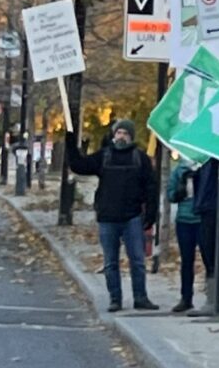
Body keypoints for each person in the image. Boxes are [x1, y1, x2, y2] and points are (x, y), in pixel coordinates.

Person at [66, 118, 155, 312]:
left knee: (138, 261)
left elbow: (151, 187)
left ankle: (140, 297)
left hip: (132, 217)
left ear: (131, 136)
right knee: (110, 262)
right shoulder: (104, 156)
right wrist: (71, 143)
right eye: (118, 133)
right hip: (108, 217)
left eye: (125, 133)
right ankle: (115, 299)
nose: (121, 136)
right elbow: (79, 165)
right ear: (113, 135)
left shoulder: (140, 158)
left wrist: (151, 212)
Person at [166, 154, 218, 312]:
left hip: (203, 218)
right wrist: (178, 192)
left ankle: (212, 296)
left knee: (209, 259)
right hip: (185, 219)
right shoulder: (179, 170)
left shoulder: (208, 166)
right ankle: (186, 297)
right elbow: (170, 194)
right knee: (187, 260)